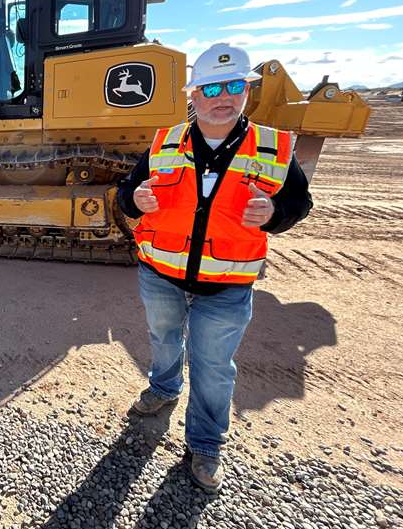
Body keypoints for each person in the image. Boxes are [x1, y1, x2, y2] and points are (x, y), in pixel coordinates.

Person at [116, 43, 312, 493]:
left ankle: (205, 444)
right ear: (194, 95)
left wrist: (276, 213)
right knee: (163, 340)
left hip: (226, 284)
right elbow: (128, 192)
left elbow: (299, 202)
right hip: (161, 274)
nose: (223, 97)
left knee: (213, 365)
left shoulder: (274, 147)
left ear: (246, 90)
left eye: (234, 86)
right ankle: (163, 389)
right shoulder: (165, 142)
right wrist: (134, 200)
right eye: (211, 88)